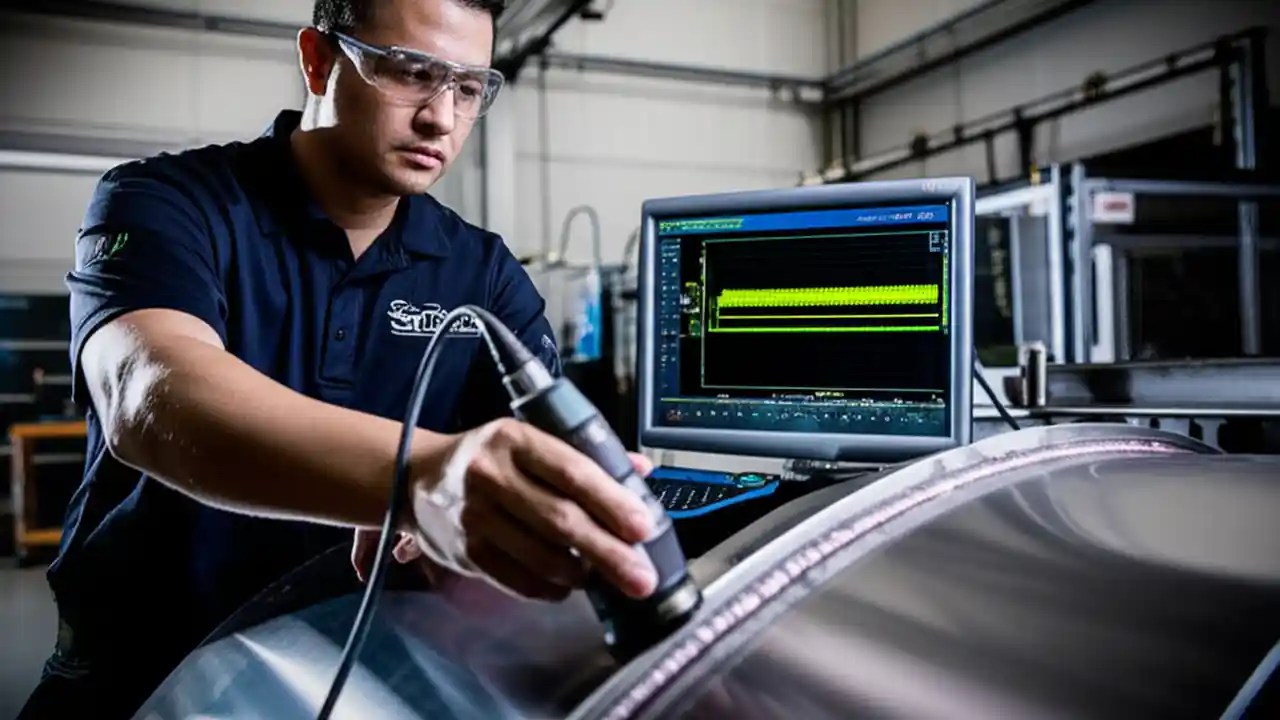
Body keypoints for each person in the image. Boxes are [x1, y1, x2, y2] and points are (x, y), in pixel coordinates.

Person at [18, 0, 659, 716]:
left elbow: (537, 457)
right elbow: (151, 396)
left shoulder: (481, 272)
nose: (441, 118)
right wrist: (422, 477)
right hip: (139, 676)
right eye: (411, 71)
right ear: (318, 60)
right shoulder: (170, 203)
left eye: (468, 87)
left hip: (352, 672)